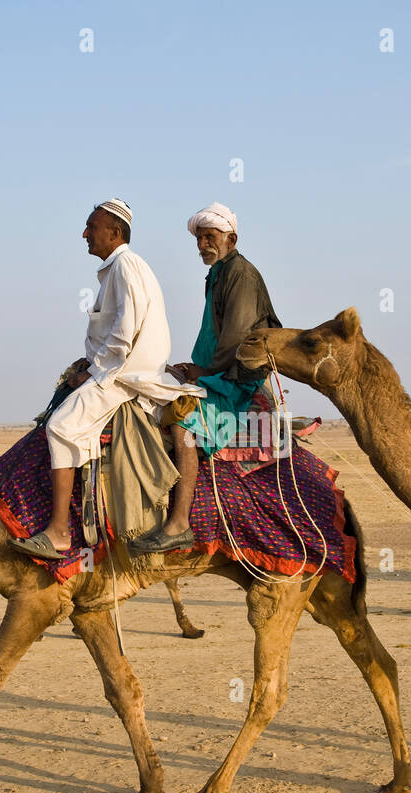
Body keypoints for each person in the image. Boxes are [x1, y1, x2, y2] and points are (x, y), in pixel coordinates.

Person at [10, 198, 201, 559]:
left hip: (123, 376)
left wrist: (92, 372)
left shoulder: (126, 267)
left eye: (91, 227)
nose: (85, 234)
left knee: (61, 427)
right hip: (119, 370)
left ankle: (59, 533)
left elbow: (123, 333)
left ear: (114, 233)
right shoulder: (120, 269)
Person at [130, 202, 282, 554]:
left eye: (209, 237)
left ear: (232, 238)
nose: (202, 245)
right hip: (216, 372)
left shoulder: (240, 275)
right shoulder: (218, 273)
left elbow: (235, 339)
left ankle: (179, 523)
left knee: (183, 419)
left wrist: (204, 373)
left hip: (237, 378)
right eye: (199, 238)